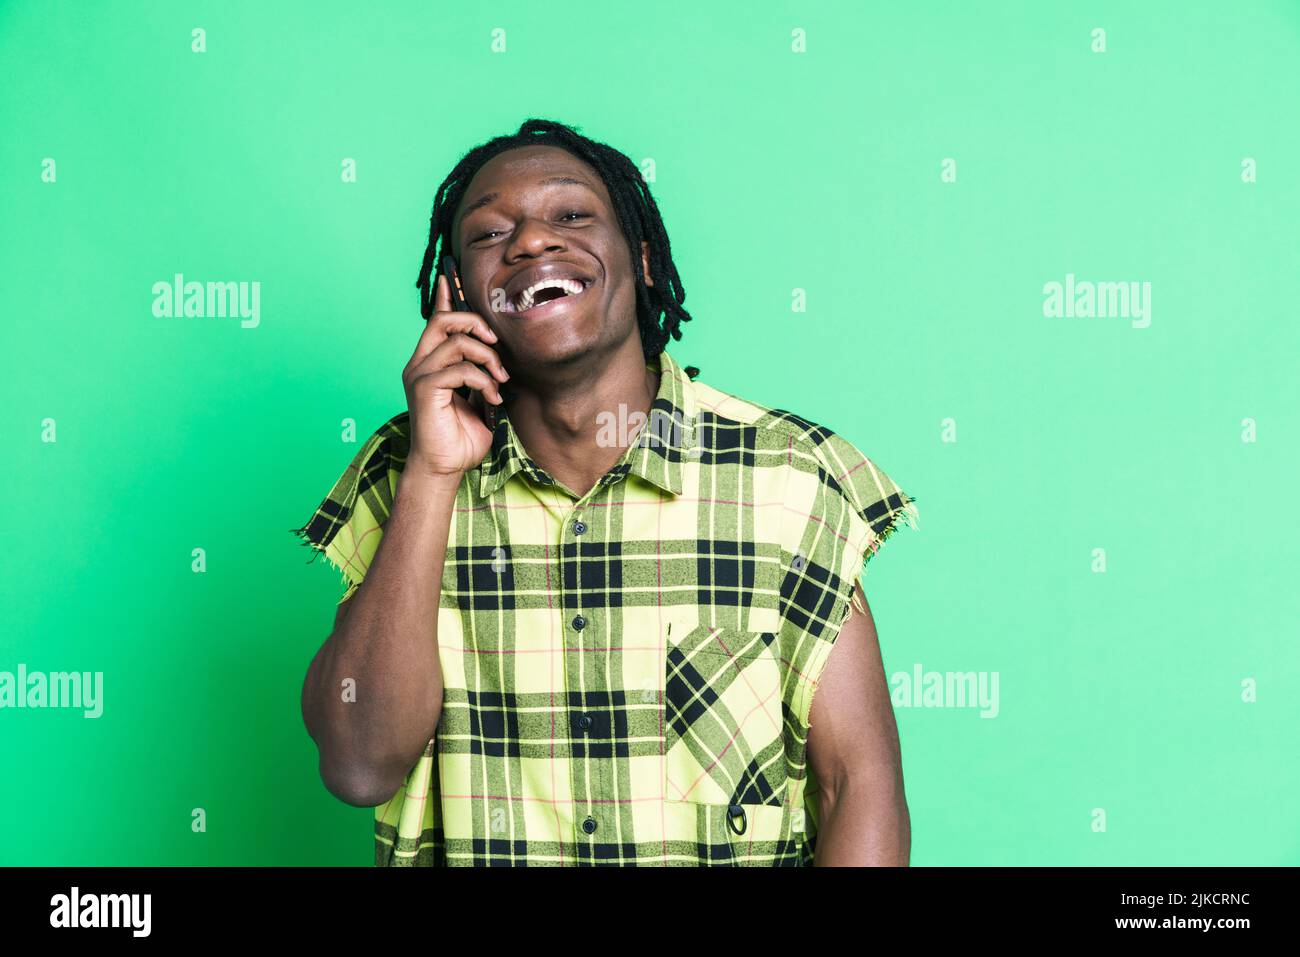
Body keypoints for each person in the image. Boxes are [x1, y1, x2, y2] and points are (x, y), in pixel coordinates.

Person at [293, 118, 919, 866]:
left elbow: (859, 784)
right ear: (456, 294)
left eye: (571, 215)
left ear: (644, 259)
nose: (529, 241)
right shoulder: (403, 472)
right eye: (491, 234)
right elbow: (361, 766)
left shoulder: (788, 475)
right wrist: (432, 473)